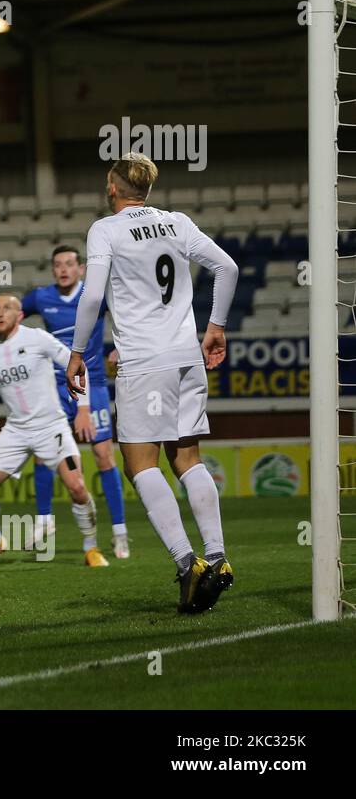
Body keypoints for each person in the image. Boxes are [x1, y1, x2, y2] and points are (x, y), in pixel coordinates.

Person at [67, 154, 239, 614]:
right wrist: (216, 327)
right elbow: (228, 268)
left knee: (139, 464)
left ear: (112, 187)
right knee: (187, 458)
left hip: (145, 362)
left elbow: (95, 295)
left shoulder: (107, 229)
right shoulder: (177, 222)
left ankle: (188, 564)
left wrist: (78, 350)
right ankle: (218, 557)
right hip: (187, 357)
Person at [0, 245, 130, 557]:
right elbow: (12, 317)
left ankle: (119, 531)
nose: (63, 270)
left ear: (81, 268)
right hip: (53, 383)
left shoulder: (95, 293)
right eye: (57, 264)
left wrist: (121, 347)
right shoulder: (41, 297)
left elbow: (125, 319)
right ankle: (44, 520)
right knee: (44, 453)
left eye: (69, 264)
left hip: (91, 382)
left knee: (103, 455)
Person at [0, 292, 109, 569]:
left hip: (50, 427)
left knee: (78, 488)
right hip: (15, 430)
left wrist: (83, 410)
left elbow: (77, 365)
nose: (0, 312)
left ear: (20, 315)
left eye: (7, 308)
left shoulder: (37, 338)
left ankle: (91, 548)